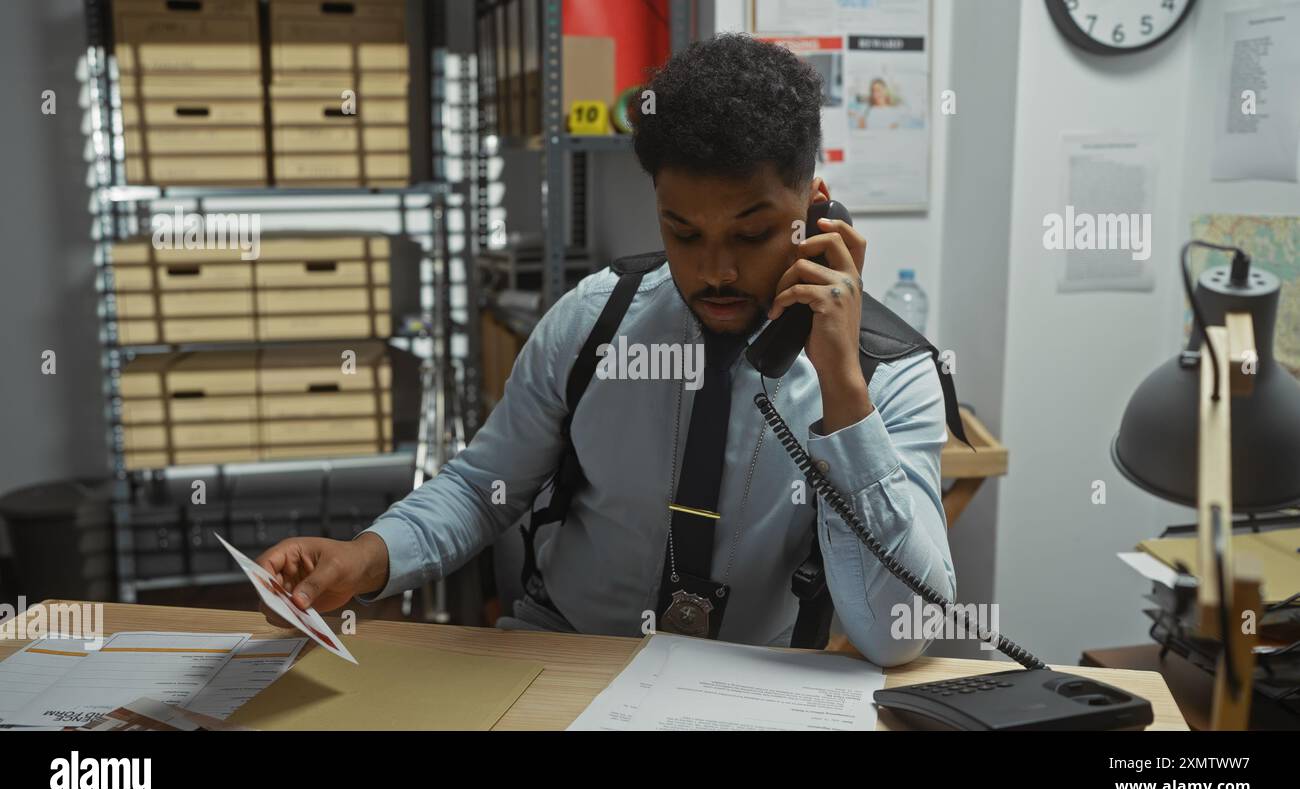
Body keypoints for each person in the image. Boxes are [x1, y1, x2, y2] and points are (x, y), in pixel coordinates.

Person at [255, 33, 954, 667]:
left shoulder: (887, 374)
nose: (714, 270)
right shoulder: (596, 320)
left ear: (817, 211)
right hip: (565, 653)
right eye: (683, 232)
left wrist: (842, 390)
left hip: (746, 687)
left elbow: (897, 632)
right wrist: (364, 557)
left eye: (750, 234)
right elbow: (480, 488)